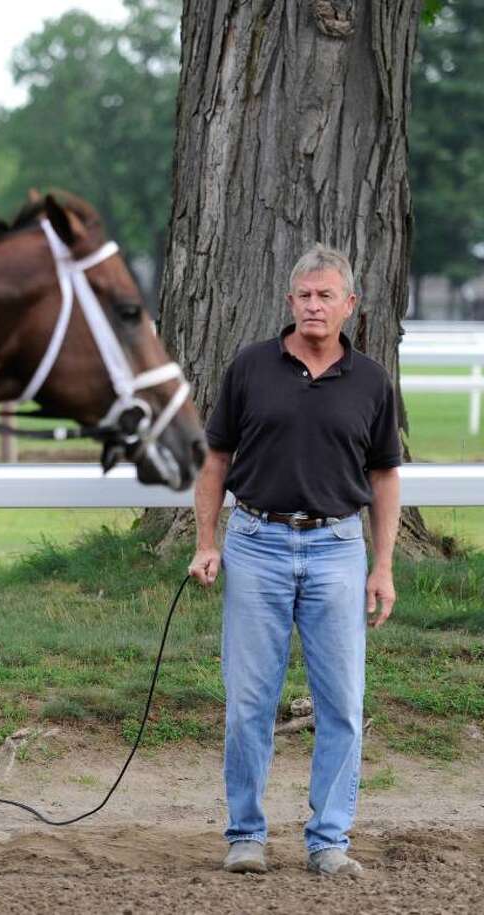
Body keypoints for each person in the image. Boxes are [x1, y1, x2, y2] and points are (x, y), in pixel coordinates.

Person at [188, 243, 401, 878]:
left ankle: (329, 839)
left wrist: (382, 564)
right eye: (304, 296)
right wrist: (208, 542)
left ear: (349, 305)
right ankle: (246, 834)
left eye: (326, 295)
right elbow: (215, 459)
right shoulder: (250, 367)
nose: (314, 306)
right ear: (290, 302)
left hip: (338, 549)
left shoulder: (370, 381)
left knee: (341, 702)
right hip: (255, 543)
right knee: (249, 700)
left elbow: (385, 475)